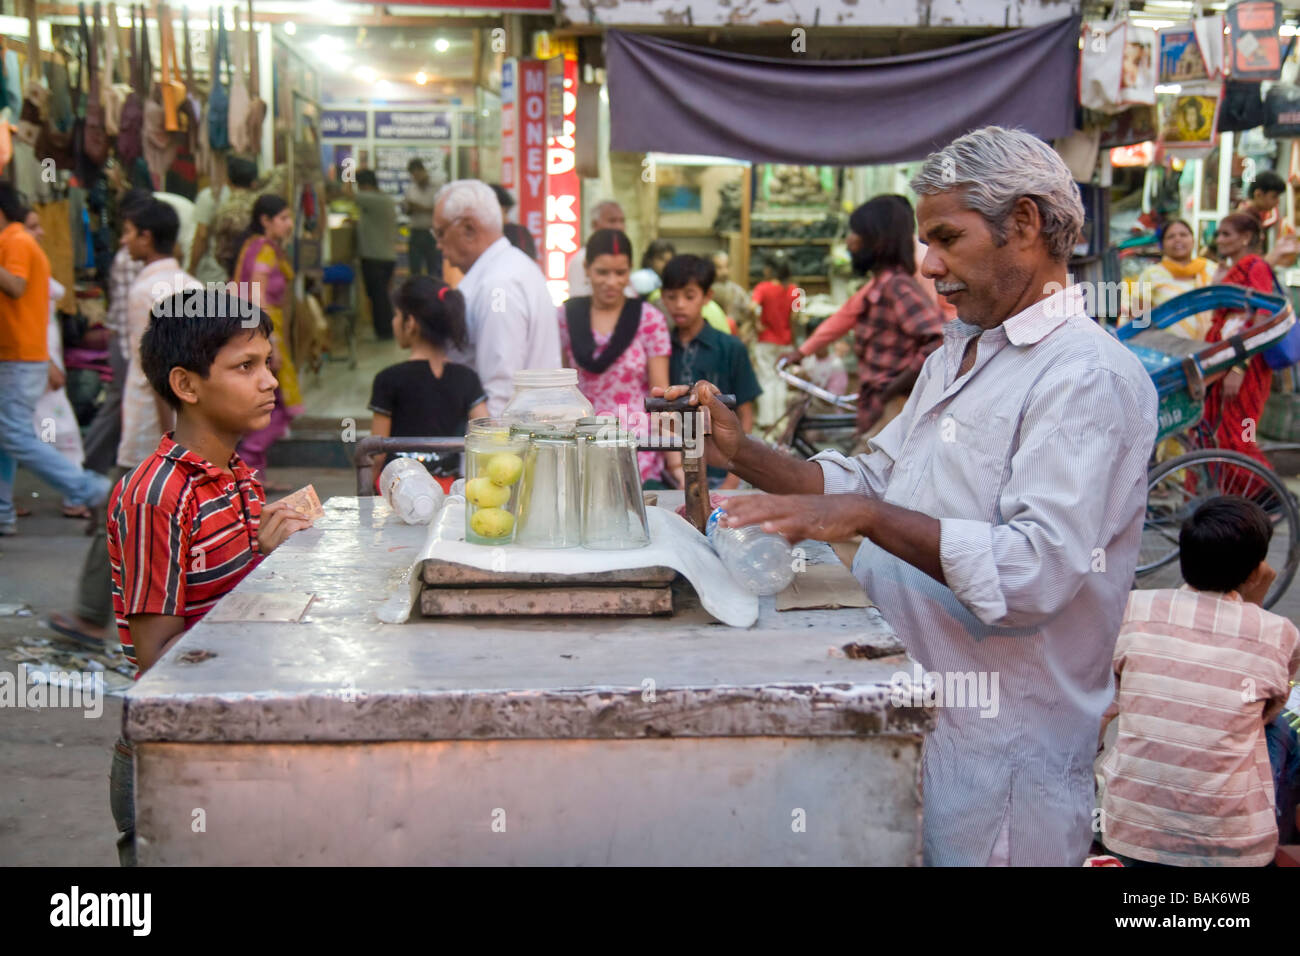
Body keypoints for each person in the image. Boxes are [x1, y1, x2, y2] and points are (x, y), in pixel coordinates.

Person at [658, 127, 1159, 865]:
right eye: (926, 241)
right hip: (913, 727)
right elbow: (870, 479)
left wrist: (862, 517)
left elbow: (1032, 572)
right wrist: (741, 451)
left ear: (1023, 224)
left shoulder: (1087, 378)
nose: (929, 265)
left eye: (947, 238)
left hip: (998, 771)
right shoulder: (961, 354)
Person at [106, 287, 314, 866]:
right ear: (187, 385)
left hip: (226, 734)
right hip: (175, 757)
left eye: (266, 363)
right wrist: (261, 571)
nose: (269, 380)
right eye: (245, 367)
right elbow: (159, 659)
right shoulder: (157, 497)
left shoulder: (234, 476)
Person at [1099, 497, 1300, 867]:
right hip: (1234, 848)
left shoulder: (1133, 609)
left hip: (1129, 831)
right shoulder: (1277, 633)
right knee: (1285, 728)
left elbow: (1103, 701)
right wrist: (1253, 603)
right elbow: (1270, 706)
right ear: (1256, 572)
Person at [0, 184, 110, 535]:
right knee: (6, 435)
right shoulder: (16, 240)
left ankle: (91, 490)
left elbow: (15, 285)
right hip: (19, 355)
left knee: (15, 435)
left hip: (18, 356)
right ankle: (3, 512)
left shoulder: (16, 241)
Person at [786, 195, 944, 440]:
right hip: (880, 411)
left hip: (894, 413)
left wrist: (891, 391)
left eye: (855, 233)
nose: (849, 242)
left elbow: (939, 342)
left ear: (875, 239)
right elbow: (844, 316)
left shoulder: (898, 287)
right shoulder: (879, 288)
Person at [557, 229, 675, 487]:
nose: (611, 281)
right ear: (587, 269)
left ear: (630, 270)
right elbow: (560, 387)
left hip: (635, 443)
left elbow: (661, 395)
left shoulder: (648, 319)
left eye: (620, 273)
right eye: (602, 272)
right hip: (580, 442)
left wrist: (675, 462)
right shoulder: (566, 317)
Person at [432, 179, 560, 415]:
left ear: (468, 229)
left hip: (508, 441)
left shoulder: (498, 285)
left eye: (440, 233)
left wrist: (489, 449)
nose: (438, 245)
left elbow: (501, 390)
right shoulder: (510, 269)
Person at [369, 276, 487, 487]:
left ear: (410, 323)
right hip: (446, 490)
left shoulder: (388, 379)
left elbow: (377, 455)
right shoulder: (467, 378)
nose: (393, 322)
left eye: (396, 315)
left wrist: (363, 492)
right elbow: (486, 436)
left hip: (396, 491)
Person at [662, 254, 760, 490]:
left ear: (707, 297)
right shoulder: (661, 349)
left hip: (722, 472)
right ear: (663, 297)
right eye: (672, 296)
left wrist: (733, 479)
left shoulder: (730, 347)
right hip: (673, 472)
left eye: (689, 296)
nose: (680, 304)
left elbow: (746, 415)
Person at [233, 195, 304, 487]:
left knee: (269, 401)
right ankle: (249, 464)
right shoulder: (263, 250)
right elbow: (257, 296)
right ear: (266, 220)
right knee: (276, 403)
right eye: (283, 218)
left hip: (257, 331)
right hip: (263, 332)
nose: (289, 224)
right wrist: (269, 342)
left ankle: (254, 474)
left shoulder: (258, 247)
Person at [82, 189, 153, 476]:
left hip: (130, 343)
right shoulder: (129, 259)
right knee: (117, 408)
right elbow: (127, 316)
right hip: (127, 344)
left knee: (119, 408)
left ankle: (91, 477)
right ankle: (85, 478)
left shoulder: (138, 257)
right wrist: (134, 359)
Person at [1205, 212, 1276, 482]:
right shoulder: (1228, 269)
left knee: (1242, 433)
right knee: (1218, 434)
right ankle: (1237, 503)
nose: (1220, 239)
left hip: (1247, 364)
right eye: (1219, 234)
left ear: (1246, 238)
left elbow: (1262, 316)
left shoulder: (1256, 266)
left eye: (1227, 234)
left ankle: (1270, 497)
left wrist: (1239, 366)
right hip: (1220, 358)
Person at [24, 210, 86, 516]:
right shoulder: (19, 268)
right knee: (61, 430)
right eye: (33, 227)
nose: (41, 233)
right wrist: (47, 362)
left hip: (35, 360)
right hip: (36, 360)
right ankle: (76, 494)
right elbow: (26, 322)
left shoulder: (29, 264)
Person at [1133, 218, 1215, 339]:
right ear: (1162, 245)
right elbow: (1139, 320)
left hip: (1212, 348)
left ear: (1193, 240)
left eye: (1183, 235)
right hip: (1166, 350)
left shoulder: (1211, 269)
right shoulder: (1150, 275)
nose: (1178, 239)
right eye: (1170, 237)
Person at [211, 157, 289, 278]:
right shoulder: (262, 202)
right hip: (267, 269)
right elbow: (283, 170)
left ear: (228, 181)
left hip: (236, 274)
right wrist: (259, 181)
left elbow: (220, 252)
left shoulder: (224, 210)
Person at [750, 256, 800, 429]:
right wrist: (793, 339)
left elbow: (752, 306)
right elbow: (796, 316)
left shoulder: (762, 288)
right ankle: (781, 421)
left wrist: (757, 322)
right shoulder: (794, 290)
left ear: (769, 270)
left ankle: (766, 420)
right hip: (785, 341)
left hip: (765, 340)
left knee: (766, 379)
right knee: (781, 380)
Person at [353, 169, 398, 341]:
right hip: (386, 256)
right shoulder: (385, 199)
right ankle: (385, 329)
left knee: (378, 297)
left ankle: (385, 332)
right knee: (381, 295)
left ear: (364, 185)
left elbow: (346, 194)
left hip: (374, 257)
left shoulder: (370, 198)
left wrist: (348, 174)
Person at [567, 200, 627, 297]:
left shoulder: (623, 255)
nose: (619, 226)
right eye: (612, 221)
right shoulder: (581, 259)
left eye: (622, 221)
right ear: (594, 224)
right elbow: (578, 300)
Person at [188, 178, 231, 287]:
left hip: (213, 273)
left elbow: (202, 236)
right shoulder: (255, 196)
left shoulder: (210, 195)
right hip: (241, 272)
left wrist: (192, 268)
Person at [404, 159, 441, 278]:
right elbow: (406, 209)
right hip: (415, 231)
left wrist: (421, 208)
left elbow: (440, 209)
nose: (416, 178)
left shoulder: (437, 188)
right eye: (413, 176)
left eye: (417, 174)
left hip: (432, 232)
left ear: (423, 171)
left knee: (433, 268)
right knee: (414, 269)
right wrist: (409, 208)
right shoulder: (411, 189)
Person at [710, 250, 757, 343]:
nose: (724, 271)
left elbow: (750, 315)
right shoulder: (705, 292)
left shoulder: (737, 291)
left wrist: (743, 331)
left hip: (733, 339)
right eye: (719, 268)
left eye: (726, 267)